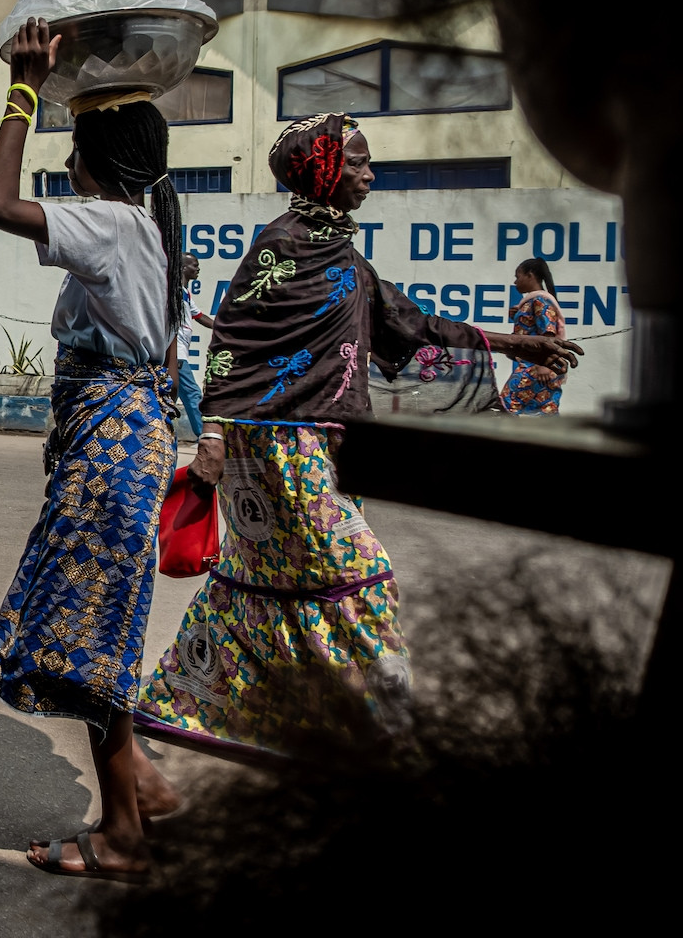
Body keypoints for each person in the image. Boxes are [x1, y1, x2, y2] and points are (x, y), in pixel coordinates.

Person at [138, 113, 583, 758]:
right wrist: (212, 435)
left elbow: (408, 320)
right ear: (320, 168)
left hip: (327, 446)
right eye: (357, 163)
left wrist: (517, 343)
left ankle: (197, 707)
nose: (370, 175)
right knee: (361, 577)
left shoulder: (343, 256)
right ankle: (392, 732)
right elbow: (234, 340)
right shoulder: (280, 245)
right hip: (275, 448)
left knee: (272, 580)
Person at [0, 19, 184, 881]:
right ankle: (142, 789)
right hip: (121, 443)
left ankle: (125, 836)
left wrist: (24, 87)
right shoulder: (145, 229)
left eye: (73, 148)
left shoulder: (107, 223)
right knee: (85, 630)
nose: (63, 166)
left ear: (99, 160)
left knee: (85, 640)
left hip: (114, 448)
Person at [501, 257, 566, 414]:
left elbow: (548, 334)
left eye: (518, 276)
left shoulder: (540, 301)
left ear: (530, 275)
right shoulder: (531, 302)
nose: (515, 282)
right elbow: (530, 329)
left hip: (535, 366)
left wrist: (544, 365)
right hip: (540, 366)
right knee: (548, 409)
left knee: (507, 404)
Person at [175, 253, 205, 439]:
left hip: (180, 353)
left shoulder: (185, 293)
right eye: (195, 265)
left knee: (171, 398)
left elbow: (200, 316)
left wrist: (224, 328)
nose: (198, 268)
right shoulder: (173, 292)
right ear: (184, 267)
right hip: (177, 355)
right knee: (193, 394)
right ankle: (205, 438)